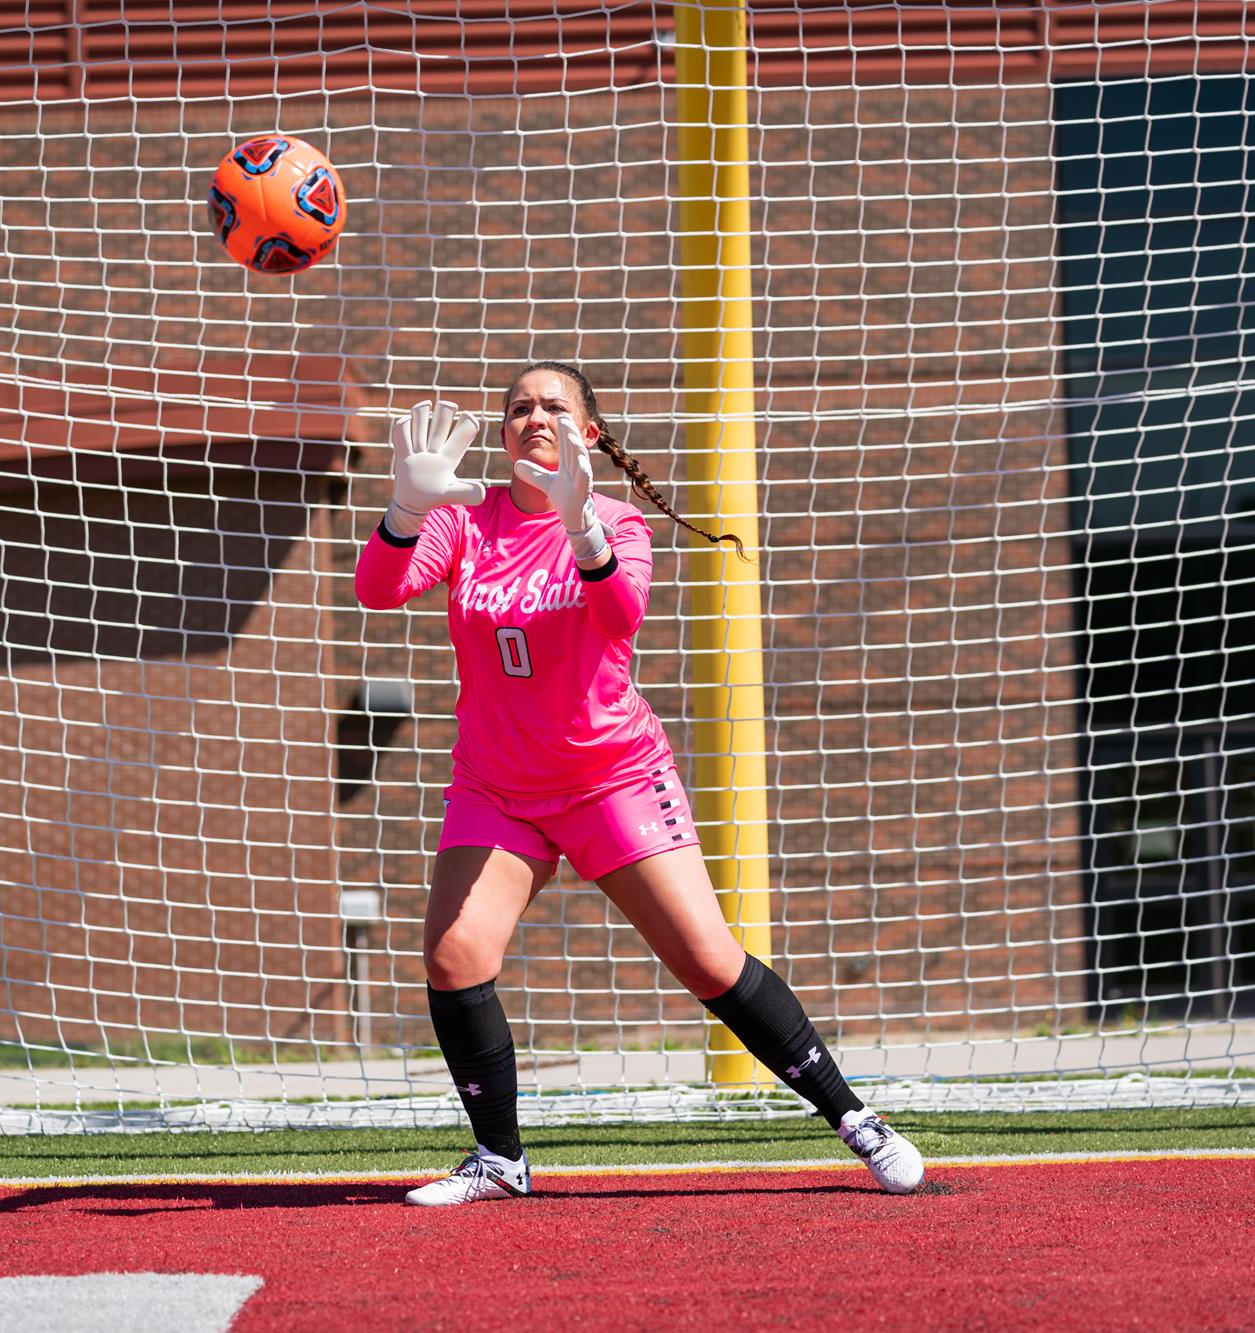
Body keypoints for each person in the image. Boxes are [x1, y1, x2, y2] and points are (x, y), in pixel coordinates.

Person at [353, 361, 924, 1205]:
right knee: (454, 955)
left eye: (553, 406)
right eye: (518, 407)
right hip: (498, 785)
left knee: (707, 961)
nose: (532, 417)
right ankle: (500, 1160)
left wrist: (582, 528)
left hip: (610, 777)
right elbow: (377, 588)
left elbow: (621, 613)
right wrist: (406, 509)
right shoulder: (465, 521)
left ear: (588, 433)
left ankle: (858, 1121)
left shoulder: (618, 521)